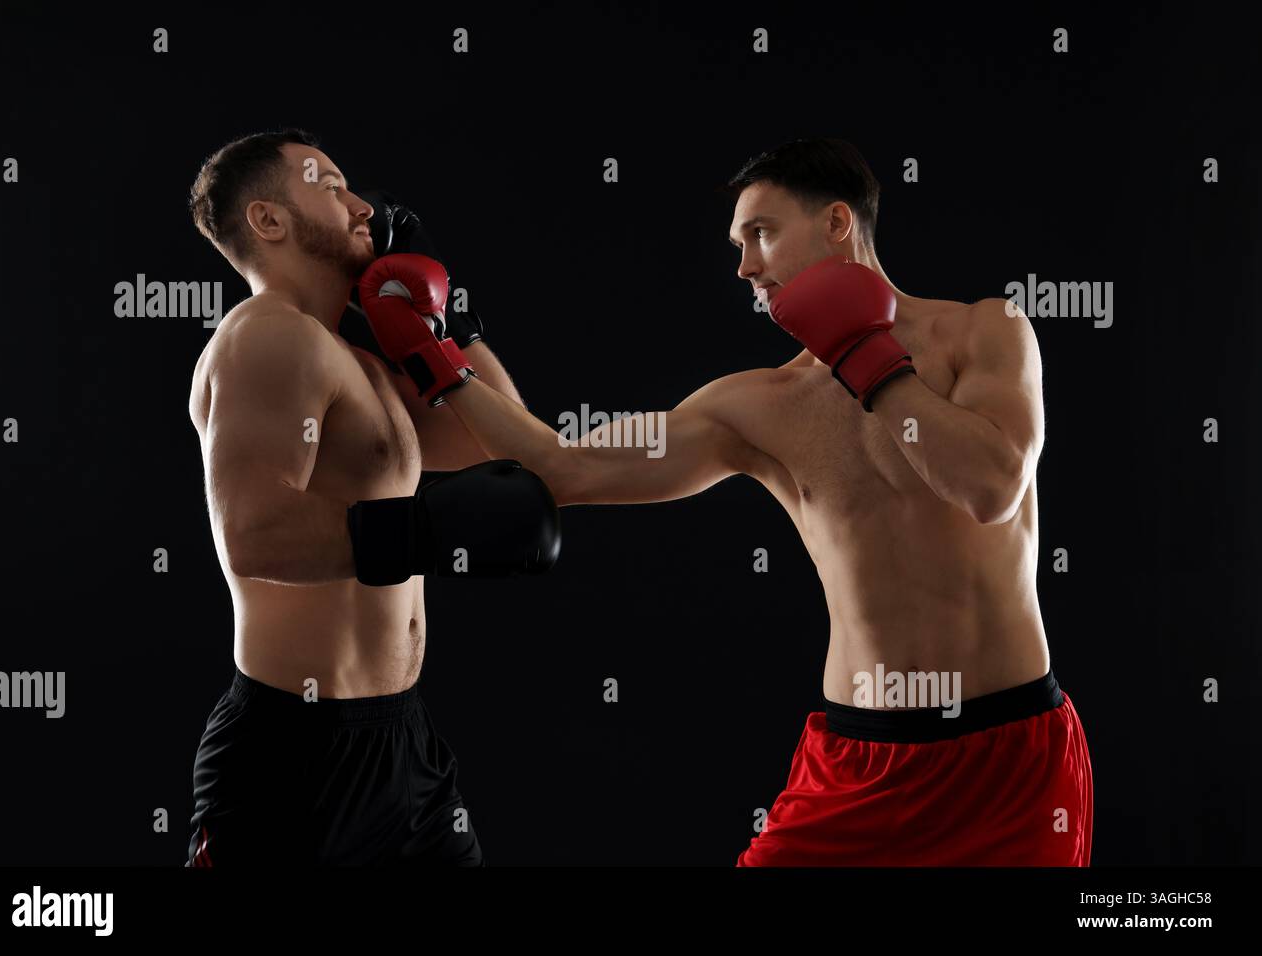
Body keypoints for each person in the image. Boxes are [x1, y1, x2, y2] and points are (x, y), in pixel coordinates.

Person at [396, 137, 1092, 866]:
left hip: (1008, 761)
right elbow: (559, 466)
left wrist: (869, 360)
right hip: (856, 767)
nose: (744, 266)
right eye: (737, 244)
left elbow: (989, 488)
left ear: (836, 224)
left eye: (760, 232)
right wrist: (439, 346)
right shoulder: (758, 406)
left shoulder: (987, 332)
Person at [183, 128, 558, 865]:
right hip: (291, 759)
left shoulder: (358, 361)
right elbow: (254, 535)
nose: (363, 206)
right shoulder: (265, 338)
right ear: (269, 220)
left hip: (402, 745)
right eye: (329, 185)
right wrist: (426, 530)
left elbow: (509, 445)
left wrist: (443, 325)